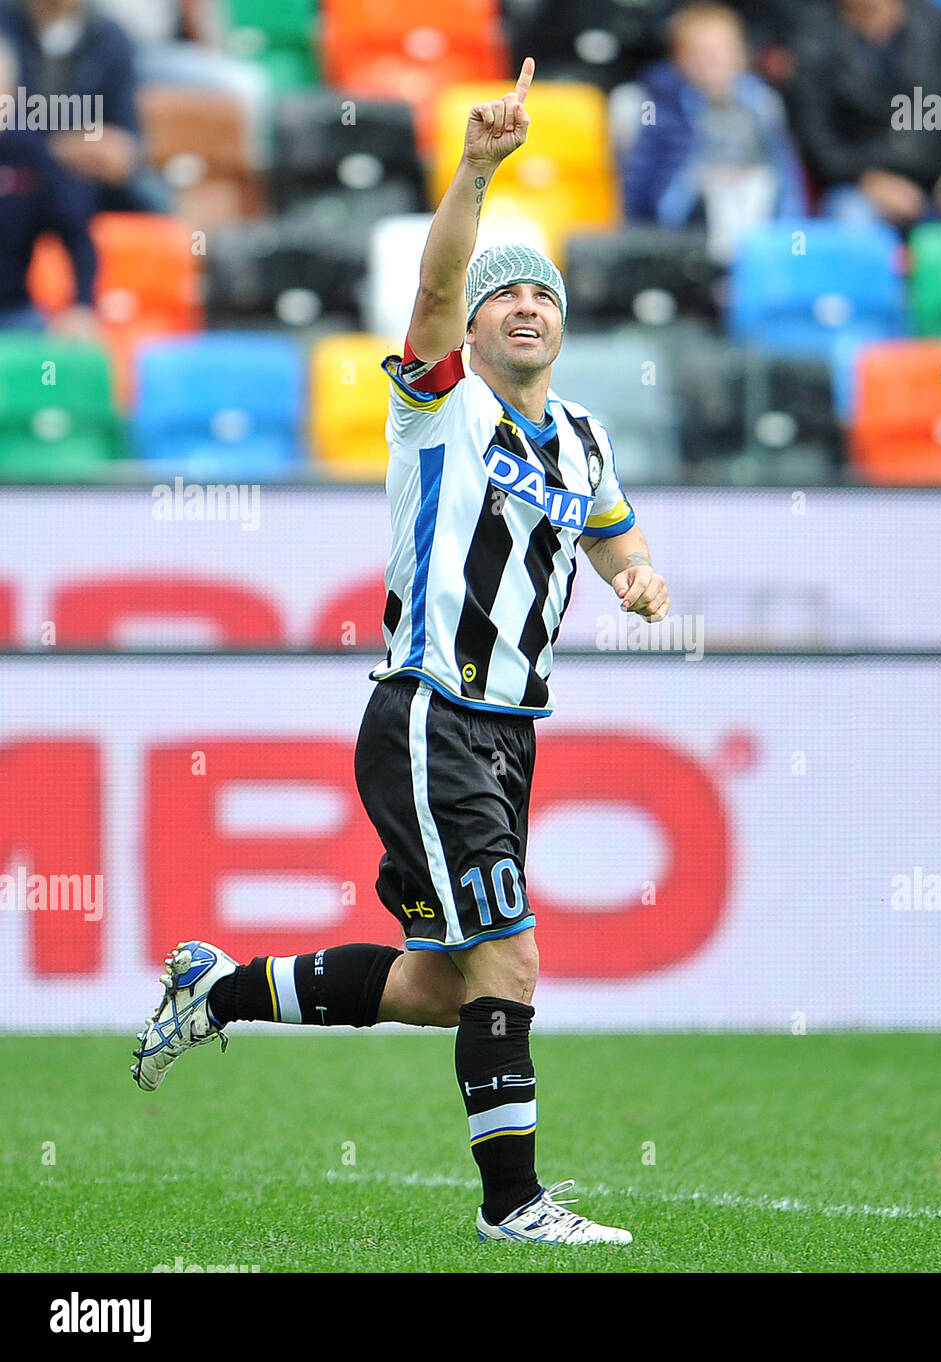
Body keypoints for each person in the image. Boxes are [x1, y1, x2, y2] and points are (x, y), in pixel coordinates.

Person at [131, 59, 671, 1248]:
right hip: (432, 710)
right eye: (502, 298)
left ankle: (215, 989)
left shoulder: (580, 439)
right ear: (472, 328)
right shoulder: (441, 406)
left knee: (443, 984)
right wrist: (477, 169)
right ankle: (513, 1206)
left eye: (543, 296)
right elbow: (431, 287)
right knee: (513, 962)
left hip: (508, 730)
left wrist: (637, 582)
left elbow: (615, 541)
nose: (526, 307)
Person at [620, 2, 807, 259]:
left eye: (721, 53)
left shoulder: (762, 103)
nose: (712, 64)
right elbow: (642, 184)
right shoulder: (659, 107)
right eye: (700, 54)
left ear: (741, 56)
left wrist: (790, 231)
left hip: (757, 219)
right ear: (678, 60)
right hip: (685, 228)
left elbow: (785, 172)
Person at [790, 0, 941, 230]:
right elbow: (818, 138)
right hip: (858, 188)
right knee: (855, 229)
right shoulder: (815, 40)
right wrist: (866, 179)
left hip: (939, 186)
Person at [0, 0, 168, 214]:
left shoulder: (110, 37)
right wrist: (58, 148)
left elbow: (129, 135)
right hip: (17, 173)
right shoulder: (6, 26)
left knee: (153, 198)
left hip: (86, 178)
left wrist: (120, 151)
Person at [0, 35, 97, 333]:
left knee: (71, 348)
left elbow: (77, 236)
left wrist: (81, 306)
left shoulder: (29, 154)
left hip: (13, 315)